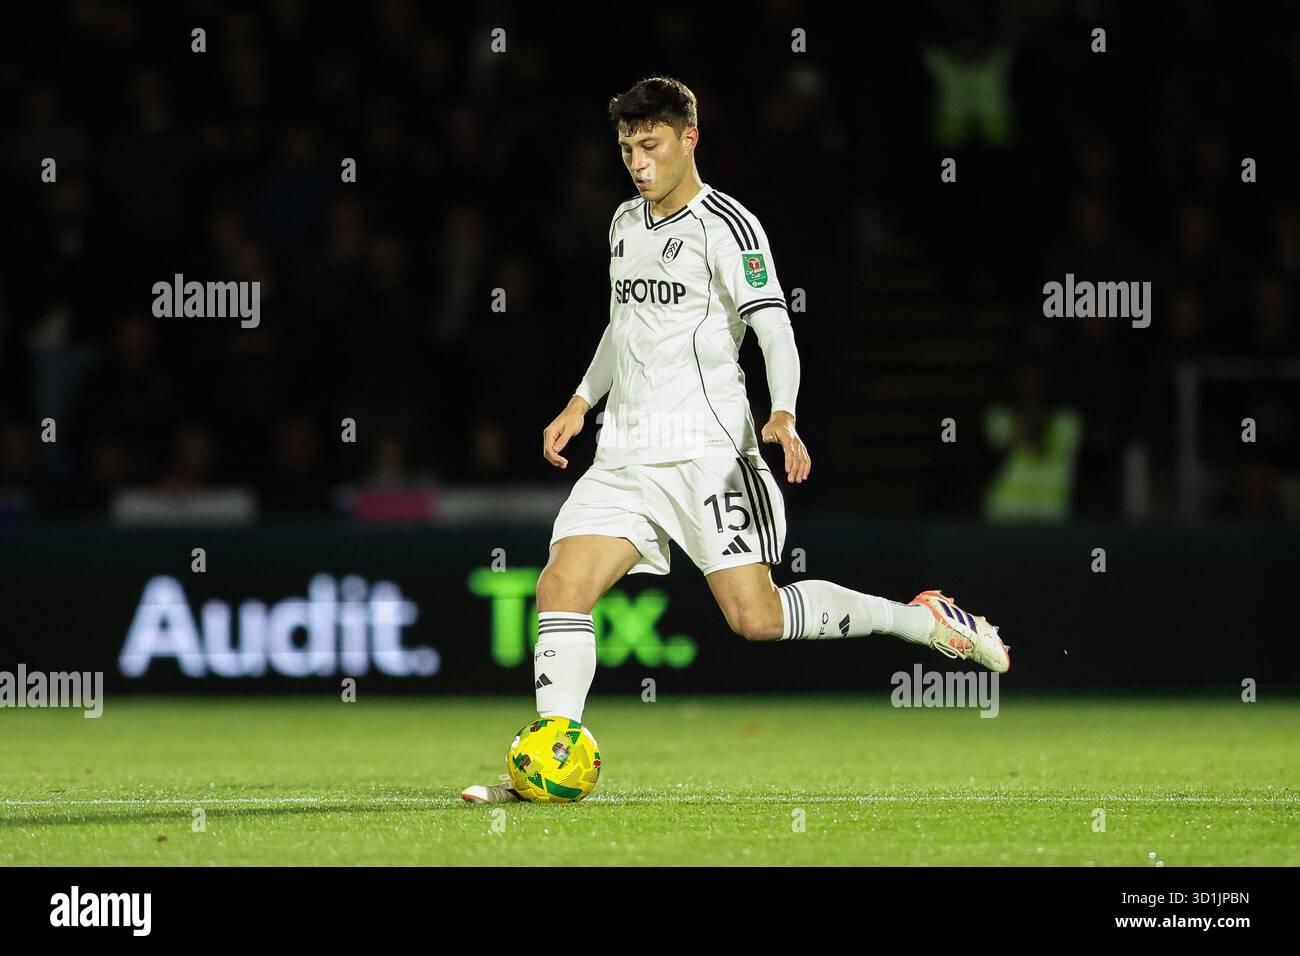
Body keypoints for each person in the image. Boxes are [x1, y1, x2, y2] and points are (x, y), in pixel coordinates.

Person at [462, 77, 1009, 804]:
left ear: (689, 138)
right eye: (627, 147)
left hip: (707, 452)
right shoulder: (625, 222)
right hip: (626, 454)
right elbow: (622, 326)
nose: (637, 161)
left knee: (755, 617)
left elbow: (773, 325)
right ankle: (548, 763)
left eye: (650, 145)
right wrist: (580, 401)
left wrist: (782, 411)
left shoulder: (729, 226)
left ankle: (918, 619)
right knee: (560, 586)